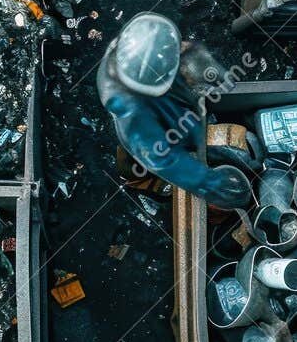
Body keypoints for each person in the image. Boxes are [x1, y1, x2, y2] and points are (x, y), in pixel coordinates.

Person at [97, 13, 252, 209]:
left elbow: (173, 49)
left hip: (156, 99)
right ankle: (145, 182)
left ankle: (189, 140)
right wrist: (210, 183)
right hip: (146, 130)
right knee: (140, 164)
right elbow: (160, 158)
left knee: (184, 126)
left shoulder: (143, 38)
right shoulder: (129, 110)